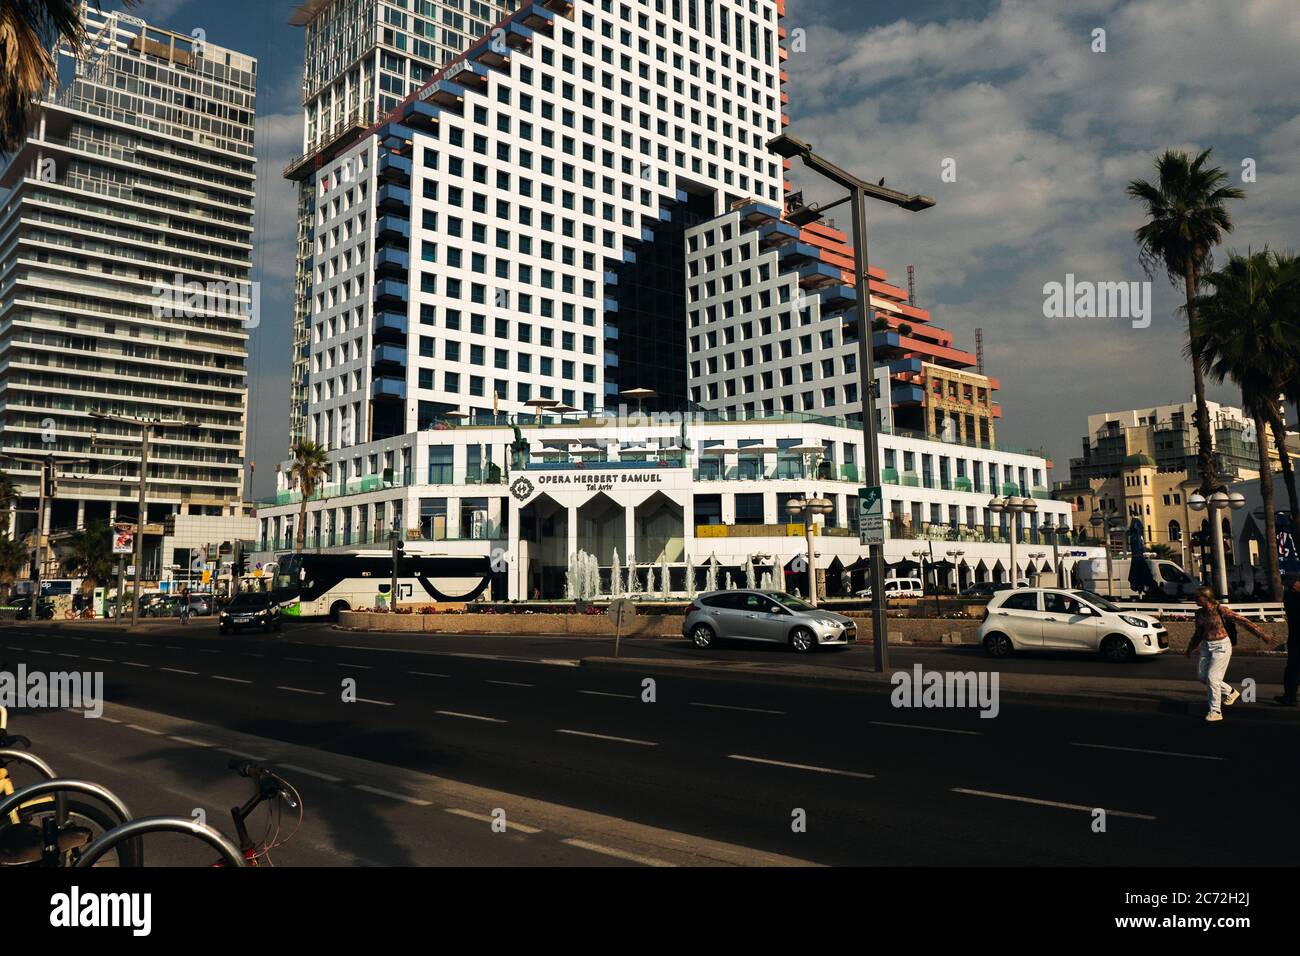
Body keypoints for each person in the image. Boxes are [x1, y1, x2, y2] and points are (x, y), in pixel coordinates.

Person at [1186, 585, 1273, 721]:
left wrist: (1261, 634)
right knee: (1203, 677)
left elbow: (1243, 621)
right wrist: (1190, 648)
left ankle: (1215, 711)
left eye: (1197, 597)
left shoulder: (1220, 610)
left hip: (1221, 646)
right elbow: (1198, 633)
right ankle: (1230, 692)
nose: (1195, 600)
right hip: (1206, 646)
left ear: (1206, 598)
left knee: (1212, 679)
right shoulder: (1199, 613)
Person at [1275, 576, 1300, 706]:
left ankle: (1290, 696)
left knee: (1293, 668)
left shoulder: (1290, 597)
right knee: (1292, 669)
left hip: (1295, 639)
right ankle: (1290, 696)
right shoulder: (1290, 597)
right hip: (1295, 639)